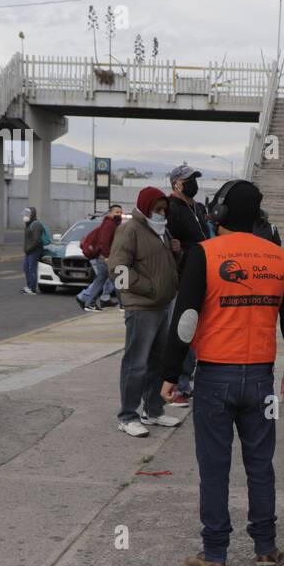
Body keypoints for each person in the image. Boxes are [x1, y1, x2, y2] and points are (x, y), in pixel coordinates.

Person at [160, 179, 284, 566]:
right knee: (260, 465)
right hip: (260, 378)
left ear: (218, 213)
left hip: (214, 378)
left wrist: (170, 374)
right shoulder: (280, 258)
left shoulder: (203, 255)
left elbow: (185, 321)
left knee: (214, 467)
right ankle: (265, 550)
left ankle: (215, 556)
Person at [109, 187, 184, 438]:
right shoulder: (130, 230)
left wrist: (176, 252)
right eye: (157, 209)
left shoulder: (161, 232)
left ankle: (153, 410)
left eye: (164, 210)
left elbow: (163, 266)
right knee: (136, 363)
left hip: (163, 305)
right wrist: (149, 287)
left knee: (158, 362)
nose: (162, 214)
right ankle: (127, 416)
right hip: (141, 307)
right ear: (145, 207)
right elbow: (117, 270)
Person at [164, 164, 212, 405]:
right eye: (189, 179)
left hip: (204, 277)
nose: (193, 183)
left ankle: (188, 381)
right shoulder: (171, 209)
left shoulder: (198, 208)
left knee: (197, 334)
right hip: (182, 280)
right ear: (177, 184)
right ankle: (179, 385)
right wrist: (180, 250)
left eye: (195, 178)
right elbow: (168, 244)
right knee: (182, 330)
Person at [76, 203, 124, 311]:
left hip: (105, 257)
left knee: (101, 280)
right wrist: (107, 256)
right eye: (117, 212)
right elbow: (104, 241)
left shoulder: (112, 224)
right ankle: (123, 304)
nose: (119, 214)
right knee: (117, 279)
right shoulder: (110, 224)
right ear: (111, 213)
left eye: (120, 212)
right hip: (106, 258)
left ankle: (89, 303)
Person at [21, 206, 46, 295]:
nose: (25, 216)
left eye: (27, 214)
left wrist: (28, 249)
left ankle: (32, 288)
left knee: (32, 269)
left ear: (32, 215)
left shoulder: (36, 224)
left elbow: (37, 240)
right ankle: (29, 286)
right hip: (29, 251)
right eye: (25, 214)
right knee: (26, 268)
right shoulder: (29, 224)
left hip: (34, 251)